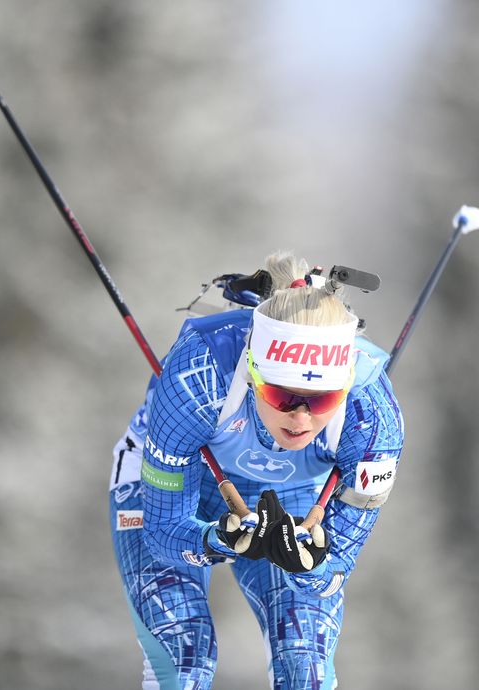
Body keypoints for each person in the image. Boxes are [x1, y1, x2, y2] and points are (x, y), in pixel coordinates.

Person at [109, 251, 404, 689]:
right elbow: (165, 530)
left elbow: (338, 562)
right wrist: (215, 539)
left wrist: (313, 564)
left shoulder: (370, 416)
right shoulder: (200, 374)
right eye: (284, 396)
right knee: (185, 655)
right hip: (182, 486)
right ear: (252, 372)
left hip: (293, 496)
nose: (301, 418)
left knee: (305, 668)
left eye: (321, 399)